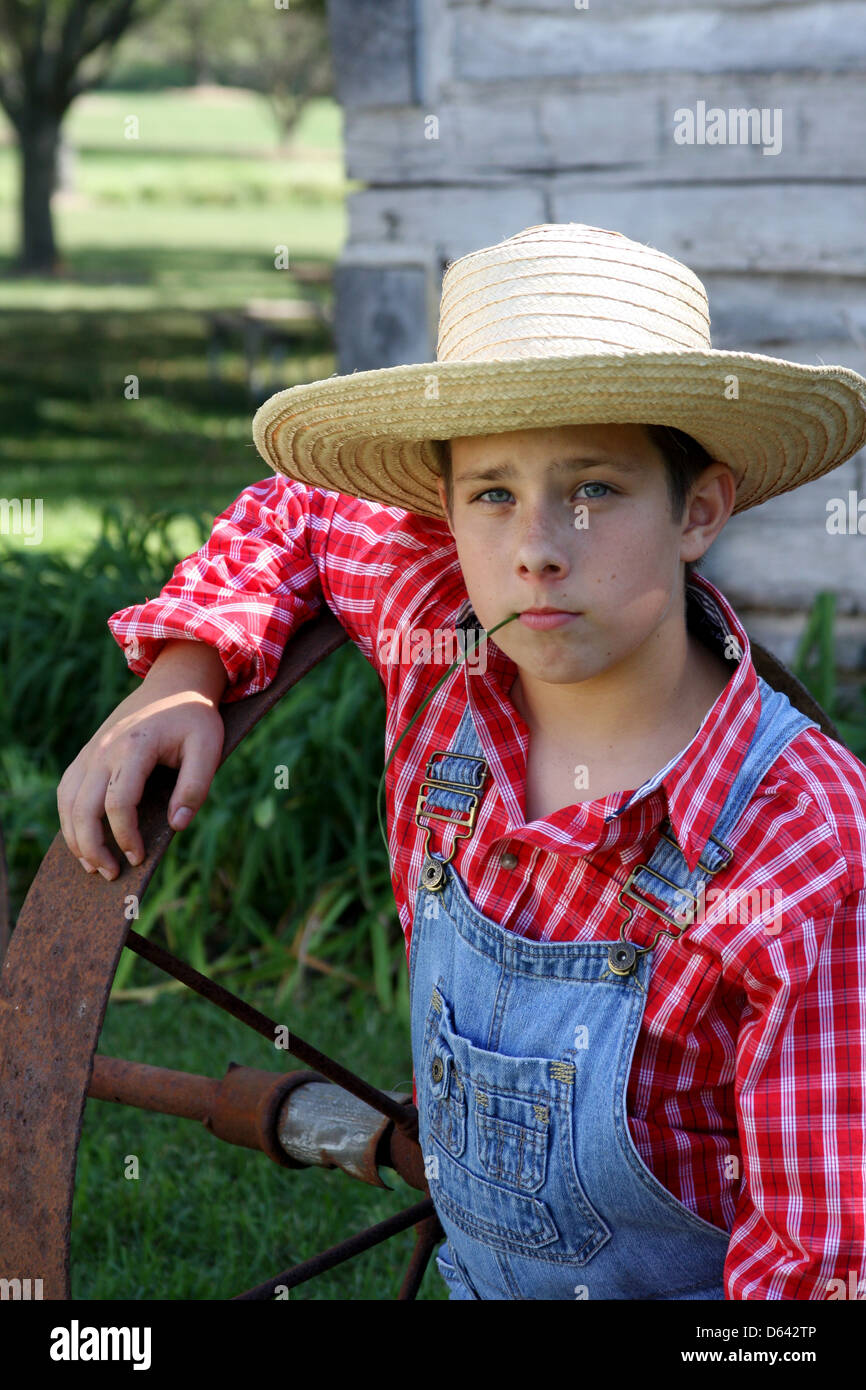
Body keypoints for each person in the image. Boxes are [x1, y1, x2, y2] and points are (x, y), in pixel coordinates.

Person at [57, 223, 866, 1300]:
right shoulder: (437, 631)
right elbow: (300, 510)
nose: (535, 543)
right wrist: (185, 671)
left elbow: (819, 1266)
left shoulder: (798, 845)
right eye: (490, 491)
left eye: (591, 488)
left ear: (699, 508)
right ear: (442, 513)